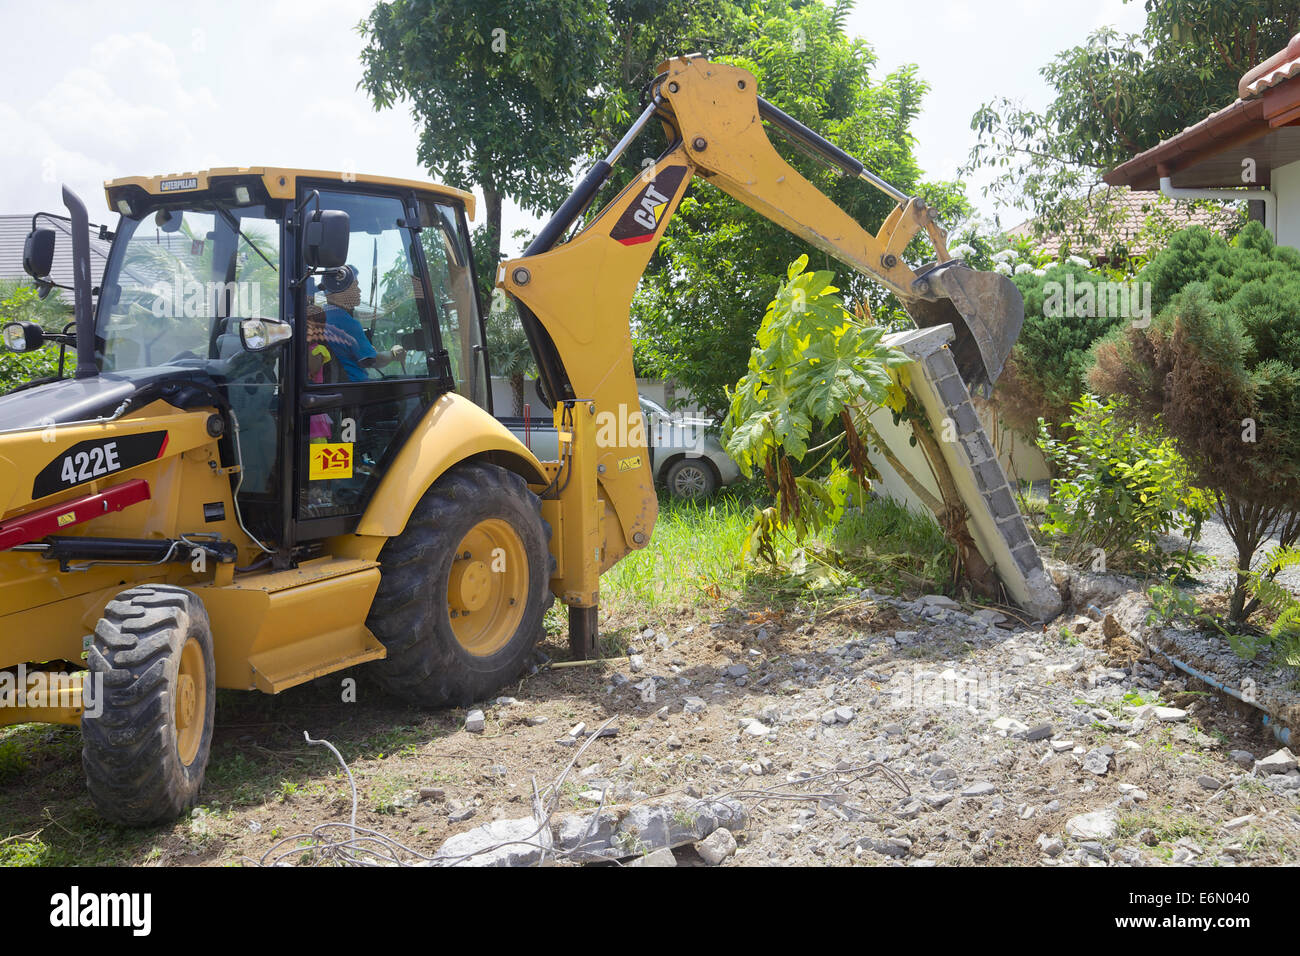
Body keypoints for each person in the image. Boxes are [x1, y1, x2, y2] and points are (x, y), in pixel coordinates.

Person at [315, 265, 405, 382]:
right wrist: (394, 354)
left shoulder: (325, 317)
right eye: (355, 286)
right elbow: (373, 360)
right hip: (356, 388)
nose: (359, 290)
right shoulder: (345, 321)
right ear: (340, 290)